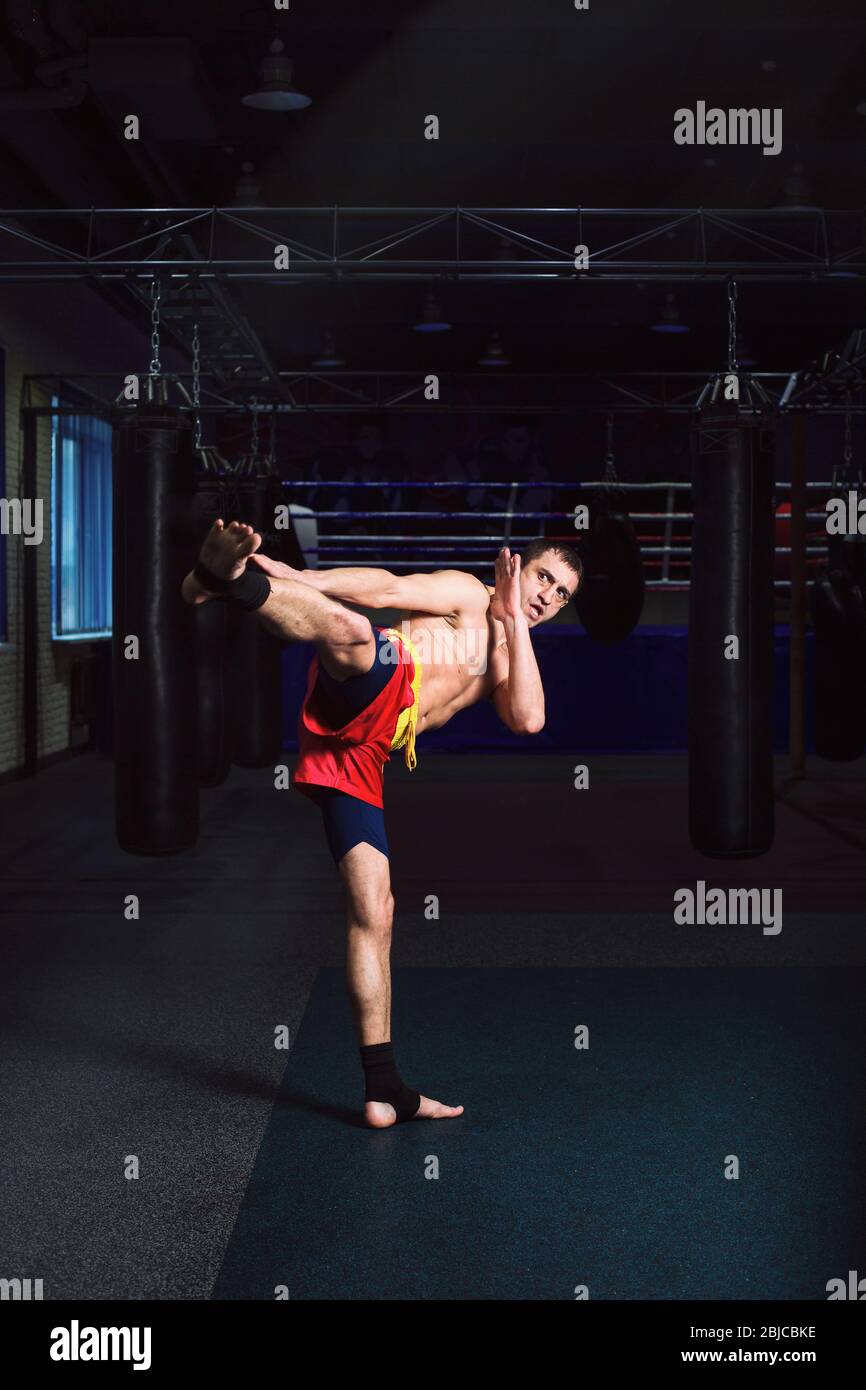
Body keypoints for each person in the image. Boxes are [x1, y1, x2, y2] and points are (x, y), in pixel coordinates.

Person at [182, 523, 582, 1128]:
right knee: (349, 631)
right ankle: (233, 580)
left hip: (365, 751)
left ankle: (384, 1088)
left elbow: (527, 719)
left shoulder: (510, 654)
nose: (548, 595)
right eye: (545, 577)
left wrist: (517, 626)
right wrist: (300, 576)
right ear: (518, 566)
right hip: (379, 676)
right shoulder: (466, 593)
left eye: (562, 595)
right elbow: (384, 586)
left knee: (377, 909)